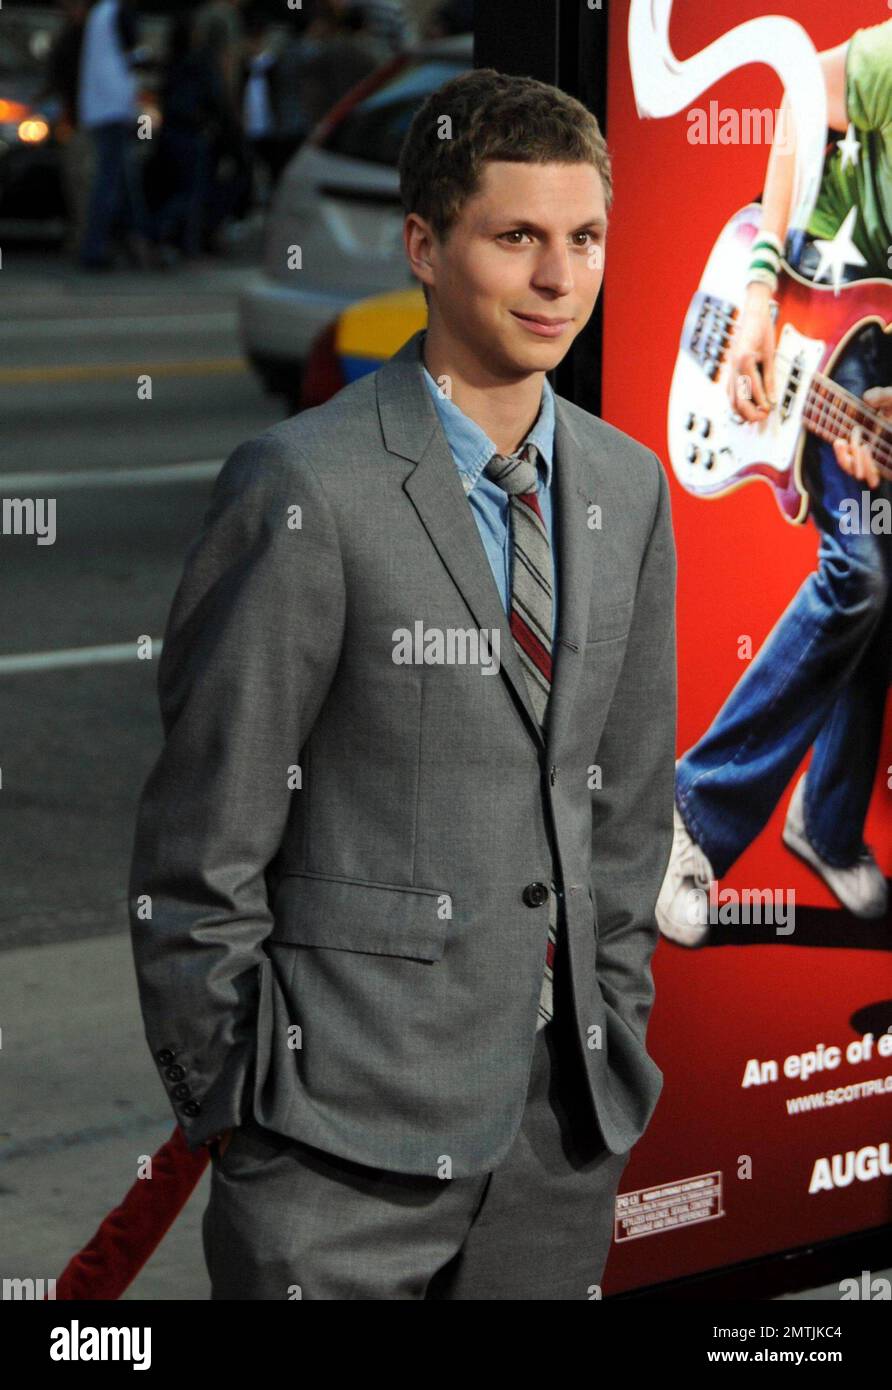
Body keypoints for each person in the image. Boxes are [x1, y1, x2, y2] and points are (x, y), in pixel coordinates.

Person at [128, 68, 677, 1299]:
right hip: (332, 1158)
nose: (558, 279)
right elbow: (199, 841)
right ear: (424, 249)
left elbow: (627, 809)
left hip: (551, 1145)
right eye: (518, 238)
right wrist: (237, 1110)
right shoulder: (305, 485)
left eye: (584, 238)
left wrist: (610, 1019)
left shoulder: (627, 488)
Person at [658, 20, 892, 947]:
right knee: (865, 573)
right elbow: (804, 98)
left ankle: (825, 822)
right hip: (823, 304)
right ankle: (692, 813)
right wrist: (760, 294)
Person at [77, 0, 150, 269]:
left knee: (120, 177)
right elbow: (134, 55)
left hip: (97, 106)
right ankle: (95, 248)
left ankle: (134, 241)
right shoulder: (121, 12)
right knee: (111, 179)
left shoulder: (99, 12)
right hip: (115, 104)